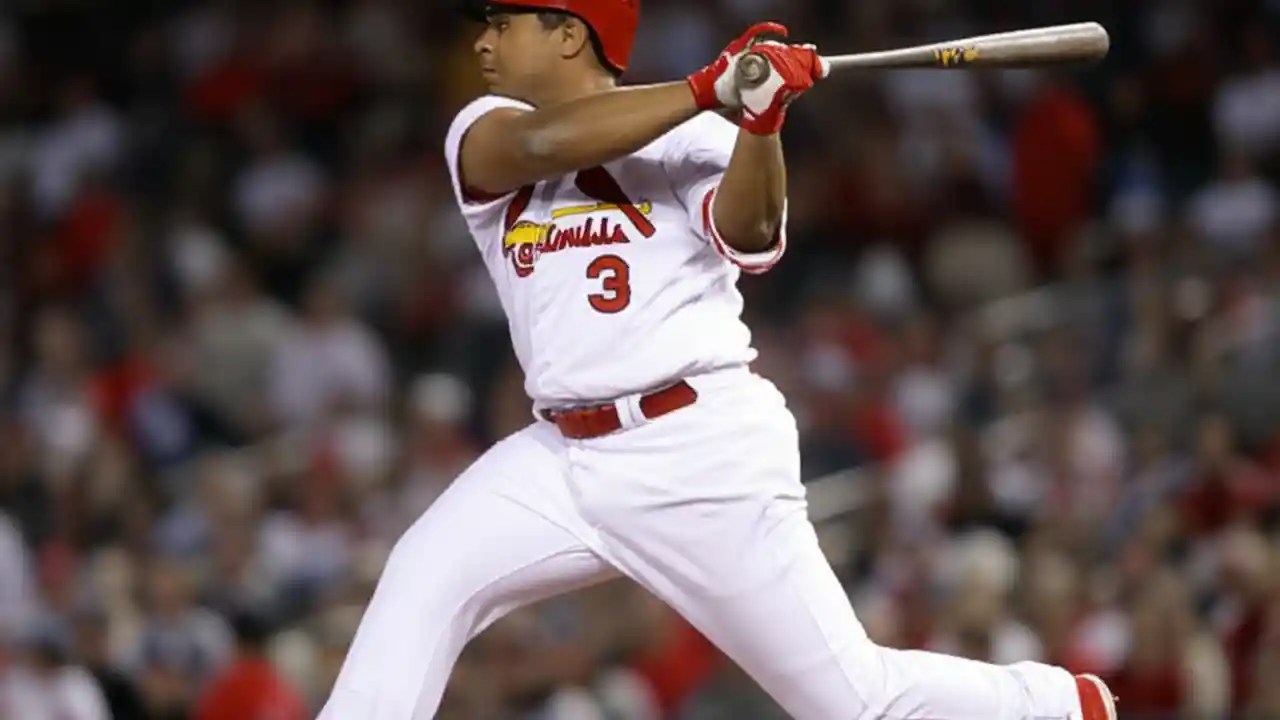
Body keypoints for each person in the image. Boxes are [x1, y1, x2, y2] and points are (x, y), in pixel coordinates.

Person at [319, 2, 1118, 718]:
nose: (484, 41)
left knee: (855, 702)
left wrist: (760, 120)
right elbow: (540, 143)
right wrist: (712, 87)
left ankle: (1053, 703)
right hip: (559, 456)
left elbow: (750, 232)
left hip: (696, 450)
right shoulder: (487, 125)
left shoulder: (702, 128)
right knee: (424, 577)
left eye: (506, 22)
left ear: (570, 33)